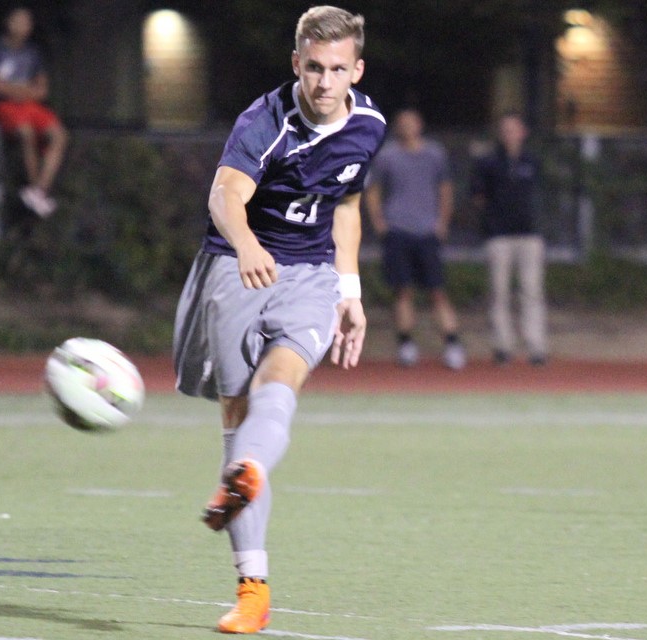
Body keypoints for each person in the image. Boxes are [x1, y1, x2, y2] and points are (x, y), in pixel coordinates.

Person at [172, 6, 385, 634]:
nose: (324, 83)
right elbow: (224, 195)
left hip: (312, 276)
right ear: (297, 64)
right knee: (238, 415)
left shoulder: (368, 126)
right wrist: (246, 245)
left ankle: (247, 479)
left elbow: (346, 204)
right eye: (314, 68)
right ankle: (253, 585)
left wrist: (350, 290)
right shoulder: (263, 121)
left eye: (337, 70)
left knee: (281, 382)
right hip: (237, 270)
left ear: (356, 70)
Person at [363, 108, 466, 369]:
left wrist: (442, 222)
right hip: (398, 231)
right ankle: (406, 344)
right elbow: (373, 191)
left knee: (437, 291)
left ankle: (452, 344)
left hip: (426, 231)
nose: (408, 127)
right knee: (403, 291)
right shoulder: (387, 156)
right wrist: (380, 223)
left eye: (412, 123)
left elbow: (445, 189)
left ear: (420, 125)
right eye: (403, 123)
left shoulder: (434, 154)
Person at [470, 111, 548, 366]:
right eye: (505, 130)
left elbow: (541, 193)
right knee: (498, 292)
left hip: (529, 234)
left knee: (531, 291)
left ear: (523, 133)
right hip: (499, 235)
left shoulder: (532, 161)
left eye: (514, 129)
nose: (509, 134)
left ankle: (536, 347)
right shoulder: (489, 163)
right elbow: (478, 196)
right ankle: (502, 346)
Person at [0, 5, 68, 219]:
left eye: (27, 22)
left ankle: (39, 191)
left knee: (59, 135)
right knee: (25, 132)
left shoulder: (33, 53)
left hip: (29, 105)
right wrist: (22, 91)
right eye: (19, 20)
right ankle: (32, 185)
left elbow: (43, 90)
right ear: (9, 23)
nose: (24, 26)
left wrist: (21, 92)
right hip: (4, 107)